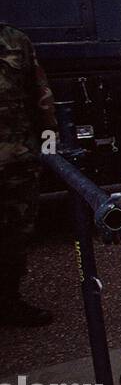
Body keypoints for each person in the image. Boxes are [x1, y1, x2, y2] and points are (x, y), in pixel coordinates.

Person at [0, 21, 57, 326]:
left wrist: (49, 136)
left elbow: (40, 92)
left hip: (17, 158)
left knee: (15, 235)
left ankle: (9, 302)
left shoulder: (15, 40)